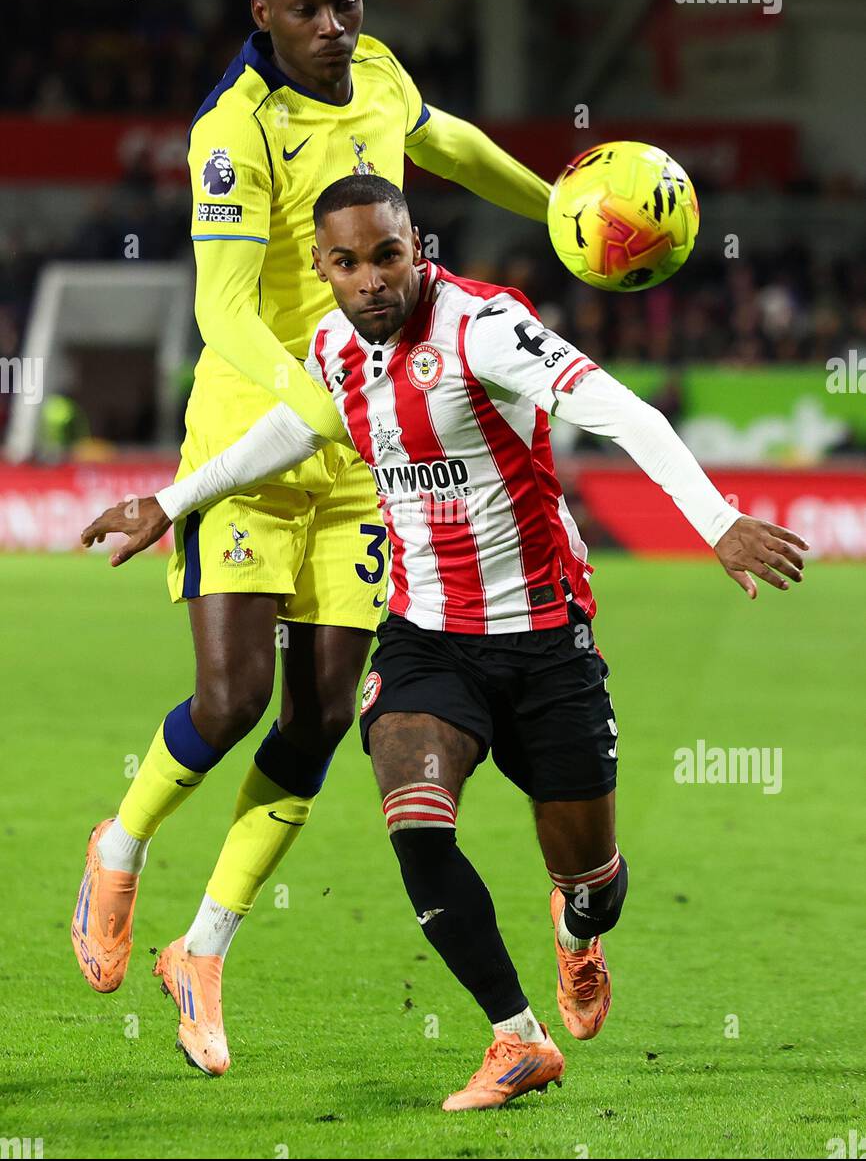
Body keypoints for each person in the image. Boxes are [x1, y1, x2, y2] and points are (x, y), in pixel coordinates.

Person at [82, 177, 808, 1109]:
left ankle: (579, 933)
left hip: (547, 641)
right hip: (428, 640)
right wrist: (170, 501)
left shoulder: (486, 327)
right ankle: (516, 1038)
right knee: (417, 825)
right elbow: (295, 429)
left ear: (415, 245)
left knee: (593, 884)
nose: (372, 279)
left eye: (388, 255)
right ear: (323, 269)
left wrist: (717, 521)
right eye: (347, 263)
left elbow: (624, 411)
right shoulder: (335, 347)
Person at [70, 0, 557, 1078]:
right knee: (233, 697)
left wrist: (556, 209)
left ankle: (203, 948)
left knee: (320, 716)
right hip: (250, 439)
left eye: (346, 2)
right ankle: (121, 840)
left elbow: (445, 141)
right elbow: (224, 309)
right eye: (311, 11)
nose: (336, 26)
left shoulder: (380, 71)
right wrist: (314, 388)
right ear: (264, 17)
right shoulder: (233, 131)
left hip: (355, 461)